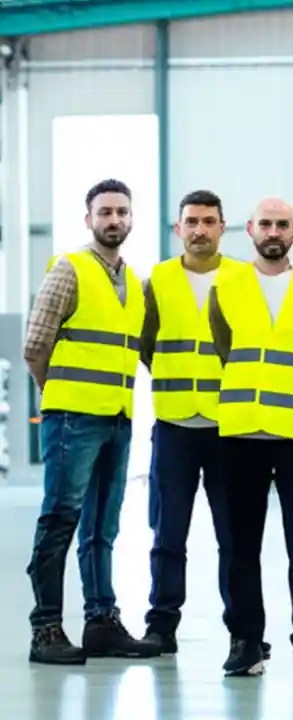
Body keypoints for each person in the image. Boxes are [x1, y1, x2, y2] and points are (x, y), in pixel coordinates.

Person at [22, 178, 161, 665]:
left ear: (131, 218)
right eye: (105, 212)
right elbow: (35, 346)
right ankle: (46, 630)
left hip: (119, 419)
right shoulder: (70, 270)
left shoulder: (136, 283)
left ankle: (101, 622)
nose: (114, 220)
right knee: (60, 519)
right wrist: (57, 396)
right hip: (74, 418)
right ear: (89, 219)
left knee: (102, 526)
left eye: (122, 212)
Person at [209, 197, 293, 678]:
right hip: (242, 431)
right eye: (265, 223)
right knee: (241, 545)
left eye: (282, 225)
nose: (273, 231)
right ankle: (246, 643)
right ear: (249, 229)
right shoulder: (227, 284)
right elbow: (224, 344)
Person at [139, 190, 247, 655]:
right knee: (168, 534)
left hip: (229, 427)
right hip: (175, 425)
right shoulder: (158, 280)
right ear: (177, 229)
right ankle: (161, 625)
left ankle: (243, 629)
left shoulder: (244, 278)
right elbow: (147, 345)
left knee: (235, 536)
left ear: (223, 227)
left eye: (209, 221)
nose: (200, 229)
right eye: (191, 221)